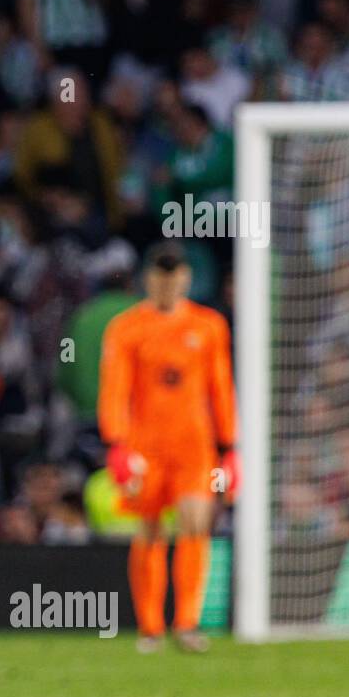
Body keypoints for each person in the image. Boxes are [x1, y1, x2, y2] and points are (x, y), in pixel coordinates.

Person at [97, 241, 239, 653]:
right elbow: (115, 388)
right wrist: (117, 443)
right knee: (151, 529)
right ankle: (150, 627)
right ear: (148, 280)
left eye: (174, 277)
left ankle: (188, 623)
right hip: (145, 444)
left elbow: (221, 387)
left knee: (196, 523)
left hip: (194, 443)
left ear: (186, 279)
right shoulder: (126, 328)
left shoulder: (209, 325)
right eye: (160, 278)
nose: (167, 285)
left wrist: (230, 446)